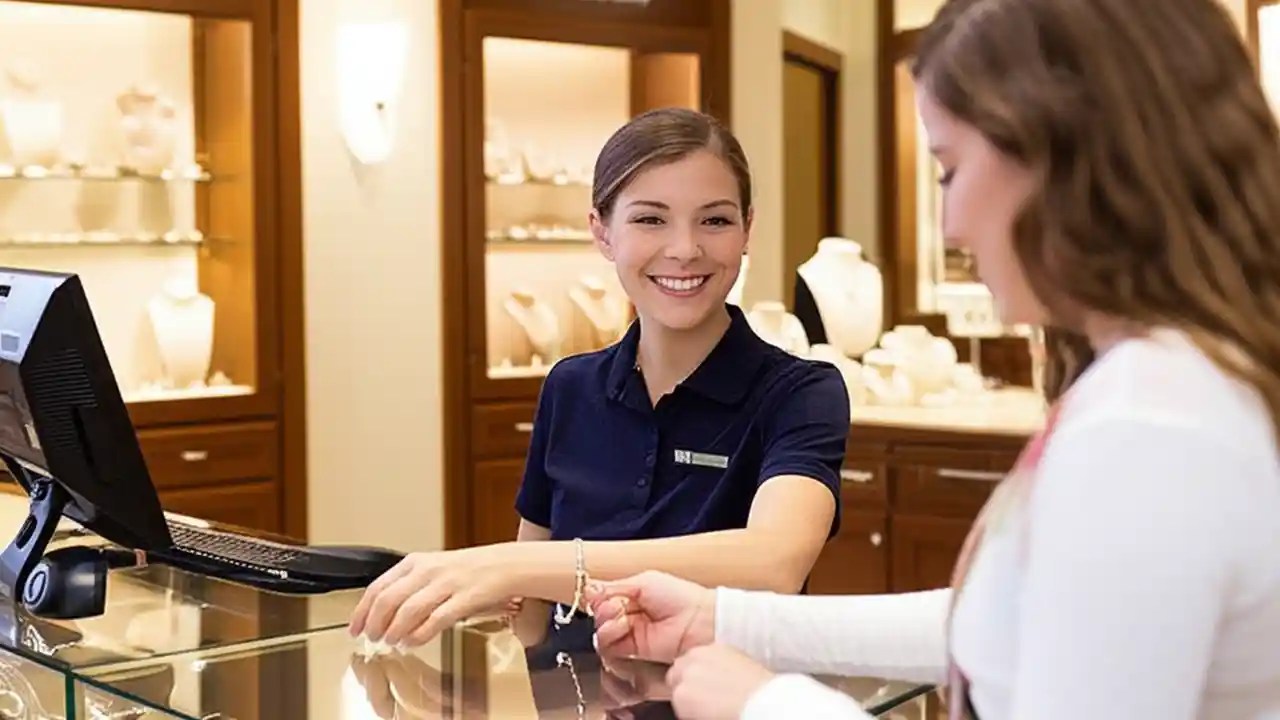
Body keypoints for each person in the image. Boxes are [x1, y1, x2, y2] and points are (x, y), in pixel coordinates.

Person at [586, 1, 1280, 718]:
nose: (949, 223)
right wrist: (726, 621)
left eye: (949, 170)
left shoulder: (1149, 429)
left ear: (1061, 159)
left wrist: (768, 705)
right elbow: (1010, 619)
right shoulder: (1169, 386)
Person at [348, 107, 851, 650]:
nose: (685, 248)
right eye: (650, 219)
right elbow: (532, 620)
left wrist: (514, 565)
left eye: (715, 220)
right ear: (602, 232)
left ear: (747, 229)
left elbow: (773, 560)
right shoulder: (569, 387)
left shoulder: (801, 393)